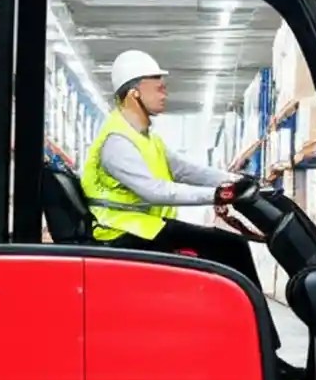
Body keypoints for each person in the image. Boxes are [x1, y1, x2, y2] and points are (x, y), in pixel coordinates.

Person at [79, 49, 265, 289]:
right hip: (120, 233)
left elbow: (184, 170)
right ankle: (254, 322)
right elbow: (154, 191)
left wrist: (235, 180)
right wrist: (217, 195)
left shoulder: (145, 137)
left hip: (144, 227)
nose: (165, 93)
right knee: (229, 247)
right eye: (158, 87)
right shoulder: (117, 141)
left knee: (229, 246)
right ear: (134, 93)